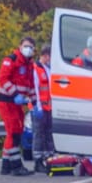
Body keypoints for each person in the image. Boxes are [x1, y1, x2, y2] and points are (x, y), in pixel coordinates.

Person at [0, 36, 36, 176]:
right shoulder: (11, 60)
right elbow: (2, 79)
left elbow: (30, 88)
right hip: (7, 100)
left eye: (31, 47)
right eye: (26, 46)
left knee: (15, 132)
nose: (28, 49)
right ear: (20, 47)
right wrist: (14, 95)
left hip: (17, 103)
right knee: (14, 133)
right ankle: (16, 166)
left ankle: (6, 165)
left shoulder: (29, 65)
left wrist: (33, 106)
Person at [30, 43, 55, 172]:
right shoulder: (36, 69)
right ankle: (38, 161)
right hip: (38, 108)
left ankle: (48, 159)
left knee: (48, 134)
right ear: (45, 56)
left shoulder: (47, 69)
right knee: (38, 135)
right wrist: (37, 107)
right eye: (50, 56)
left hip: (48, 108)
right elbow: (35, 90)